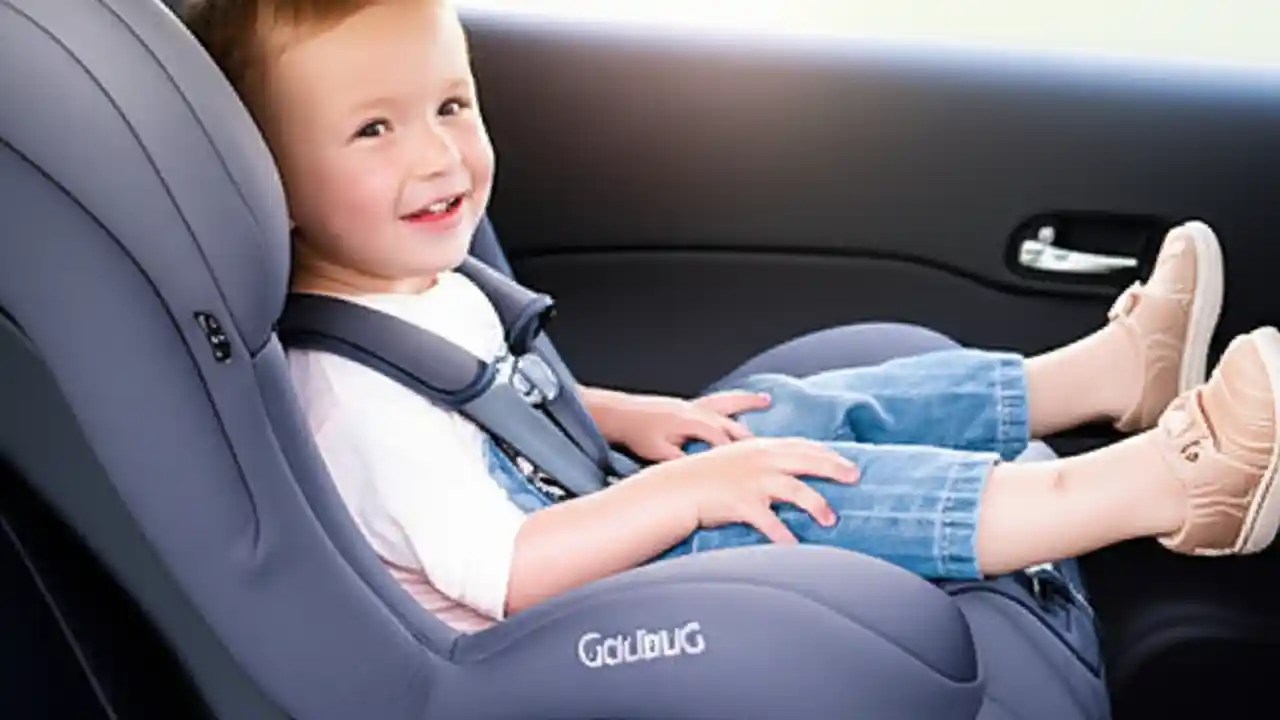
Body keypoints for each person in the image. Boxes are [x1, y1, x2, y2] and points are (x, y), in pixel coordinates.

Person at [183, 0, 1280, 633]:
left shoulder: (414, 280)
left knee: (789, 412)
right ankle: (1168, 488)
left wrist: (621, 416)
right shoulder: (352, 400)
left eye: (451, 104)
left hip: (588, 498)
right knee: (808, 493)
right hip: (564, 615)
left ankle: (1102, 378)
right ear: (264, 176)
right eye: (372, 131)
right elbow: (505, 570)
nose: (438, 155)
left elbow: (493, 398)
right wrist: (687, 492)